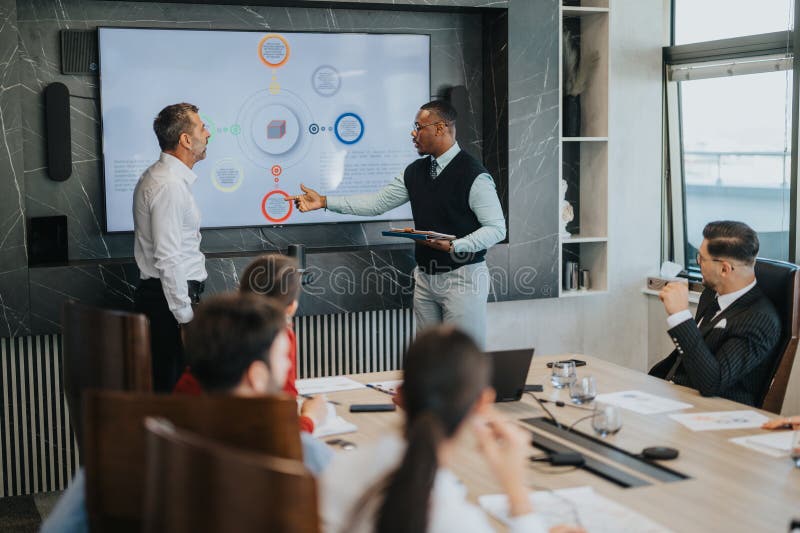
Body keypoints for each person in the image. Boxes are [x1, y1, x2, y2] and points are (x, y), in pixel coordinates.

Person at [319, 326, 584, 533]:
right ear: (483, 402)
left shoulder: (336, 471)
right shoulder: (456, 519)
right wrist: (516, 490)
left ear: (399, 396)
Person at [289, 100, 506, 349]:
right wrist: (324, 201)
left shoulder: (474, 175)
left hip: (463, 278)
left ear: (440, 128)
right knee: (430, 359)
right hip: (425, 277)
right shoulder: (414, 172)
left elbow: (497, 228)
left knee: (463, 358)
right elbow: (376, 203)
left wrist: (456, 245)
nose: (413, 134)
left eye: (418, 127)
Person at [649, 221, 781, 405]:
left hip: (718, 411)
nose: (698, 263)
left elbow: (712, 382)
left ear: (724, 269)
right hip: (677, 396)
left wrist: (680, 317)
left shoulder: (760, 320)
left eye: (701, 259)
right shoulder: (710, 294)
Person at [133, 102, 210, 392]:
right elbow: (168, 258)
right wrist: (186, 319)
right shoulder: (168, 184)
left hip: (169, 301)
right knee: (173, 395)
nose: (209, 133)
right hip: (169, 305)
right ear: (185, 140)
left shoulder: (168, 179)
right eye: (202, 127)